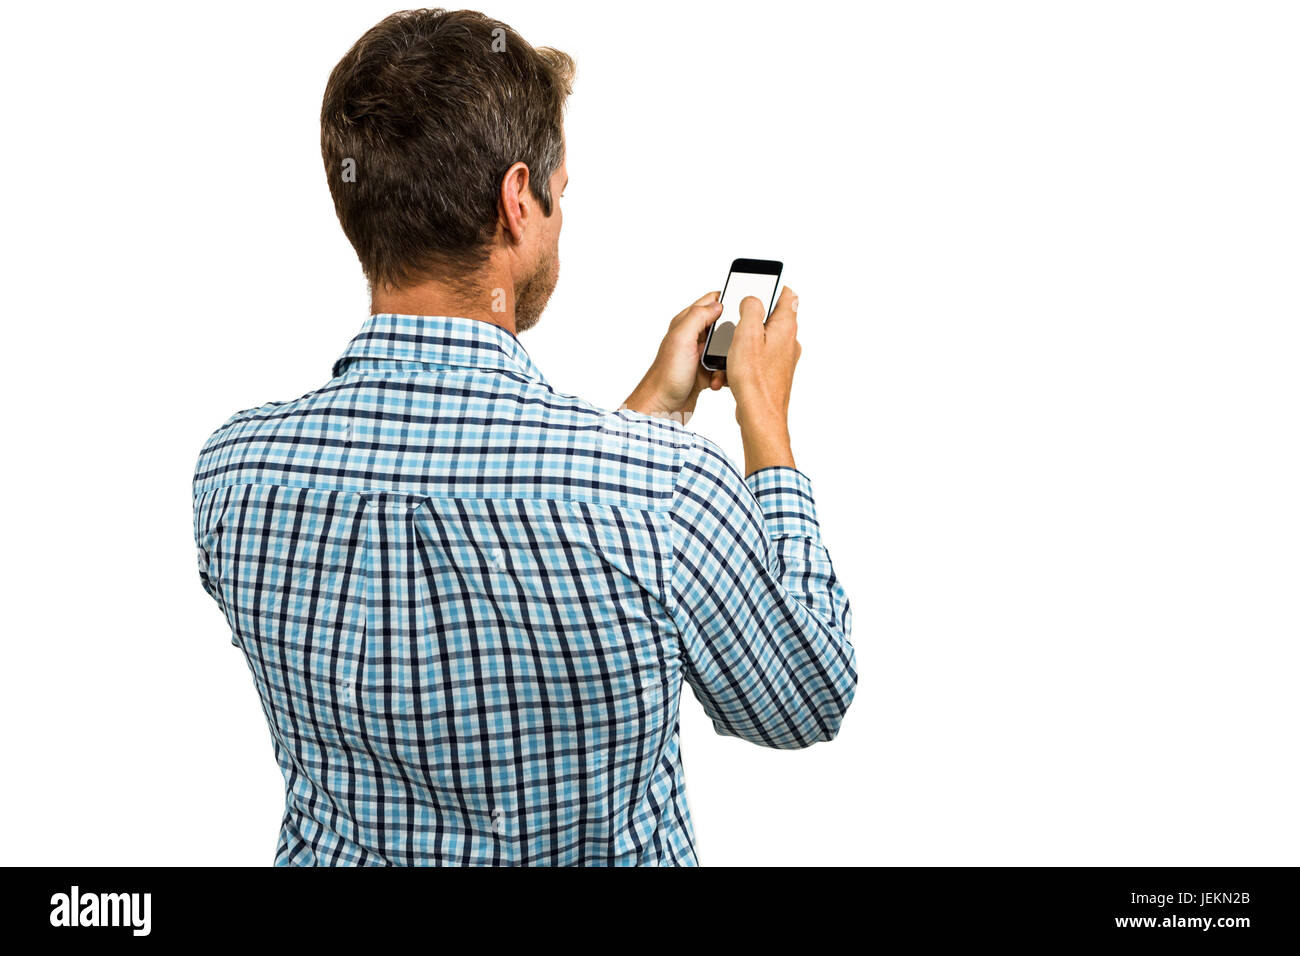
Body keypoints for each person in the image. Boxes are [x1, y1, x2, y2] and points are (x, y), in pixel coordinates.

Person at [192, 8, 856, 866]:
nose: (559, 219)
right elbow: (802, 697)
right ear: (517, 200)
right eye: (561, 195)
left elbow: (499, 523)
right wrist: (764, 421)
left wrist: (654, 404)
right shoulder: (667, 492)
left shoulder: (234, 473)